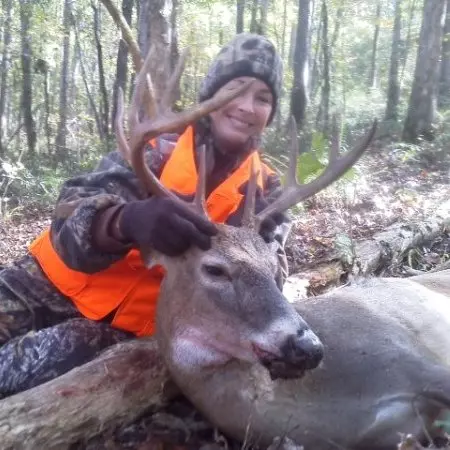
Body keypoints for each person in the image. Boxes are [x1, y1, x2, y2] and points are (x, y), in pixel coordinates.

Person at [0, 32, 291, 398]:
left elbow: (270, 285)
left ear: (271, 113)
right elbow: (68, 212)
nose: (247, 106)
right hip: (40, 285)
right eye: (235, 88)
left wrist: (244, 259)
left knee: (51, 364)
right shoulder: (154, 148)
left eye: (263, 98)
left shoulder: (265, 191)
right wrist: (124, 221)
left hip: (120, 332)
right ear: (210, 94)